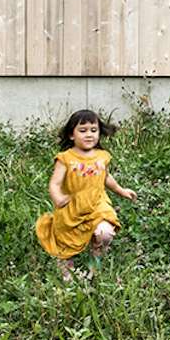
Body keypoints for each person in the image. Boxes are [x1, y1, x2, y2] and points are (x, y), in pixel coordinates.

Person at [36, 110, 138, 278]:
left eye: (93, 130)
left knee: (105, 233)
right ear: (71, 135)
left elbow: (106, 177)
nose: (89, 134)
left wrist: (121, 190)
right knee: (66, 244)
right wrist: (58, 198)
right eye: (82, 130)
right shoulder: (65, 158)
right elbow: (54, 183)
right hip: (72, 206)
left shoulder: (102, 156)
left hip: (97, 203)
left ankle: (94, 267)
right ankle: (67, 273)